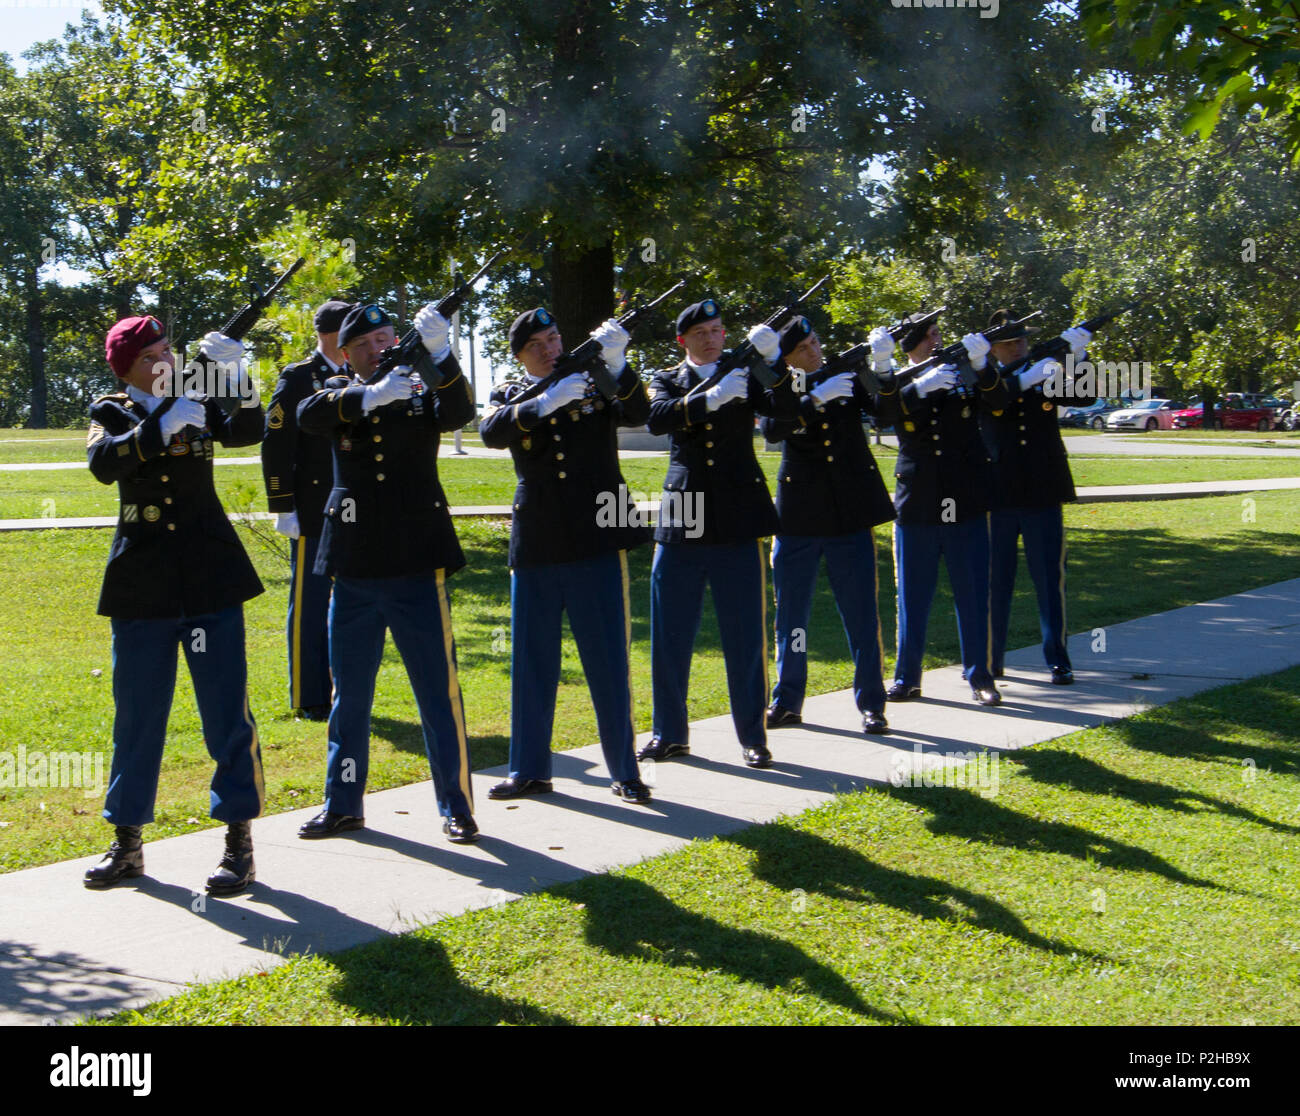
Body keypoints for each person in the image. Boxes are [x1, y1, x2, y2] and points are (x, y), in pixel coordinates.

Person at [85, 315, 265, 895]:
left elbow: (251, 428)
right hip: (143, 588)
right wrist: (155, 431)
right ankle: (128, 843)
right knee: (137, 716)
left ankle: (239, 844)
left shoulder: (199, 399)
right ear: (131, 367)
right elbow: (103, 464)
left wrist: (240, 374)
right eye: (157, 353)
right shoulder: (111, 411)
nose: (170, 359)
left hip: (209, 580)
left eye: (171, 348)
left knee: (225, 715)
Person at [295, 301, 479, 842]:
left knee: (436, 691)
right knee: (349, 697)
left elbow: (459, 412)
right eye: (368, 343)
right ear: (347, 355)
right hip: (353, 566)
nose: (381, 348)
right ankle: (343, 802)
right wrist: (369, 396)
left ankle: (456, 805)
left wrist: (441, 354)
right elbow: (309, 417)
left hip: (415, 563)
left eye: (387, 338)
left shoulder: (423, 392)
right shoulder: (338, 395)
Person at [479, 307, 653, 804]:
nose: (551, 349)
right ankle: (529, 769)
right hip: (538, 537)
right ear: (520, 356)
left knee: (606, 659)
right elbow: (492, 432)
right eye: (538, 345)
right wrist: (545, 404)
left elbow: (641, 413)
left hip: (598, 532)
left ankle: (624, 768)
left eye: (555, 338)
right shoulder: (511, 395)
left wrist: (618, 364)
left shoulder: (597, 382)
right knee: (533, 661)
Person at [640, 298, 798, 769]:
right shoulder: (667, 378)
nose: (713, 338)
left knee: (744, 633)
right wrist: (709, 399)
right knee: (670, 633)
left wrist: (776, 364)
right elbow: (657, 418)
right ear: (682, 340)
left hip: (737, 510)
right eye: (702, 332)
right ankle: (669, 733)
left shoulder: (747, 373)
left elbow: (787, 414)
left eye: (718, 329)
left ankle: (753, 734)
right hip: (686, 509)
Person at [760, 317, 896, 735]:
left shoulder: (847, 374)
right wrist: (813, 400)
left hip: (849, 513)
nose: (816, 351)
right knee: (794, 617)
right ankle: (788, 700)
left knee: (860, 613)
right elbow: (772, 428)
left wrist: (883, 365)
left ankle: (872, 702)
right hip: (799, 515)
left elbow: (888, 411)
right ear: (786, 358)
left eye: (817, 342)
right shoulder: (781, 388)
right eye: (805, 348)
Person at [874, 312, 1009, 706]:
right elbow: (884, 414)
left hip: (963, 497)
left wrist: (983, 365)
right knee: (912, 596)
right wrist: (919, 388)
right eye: (930, 335)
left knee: (972, 593)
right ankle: (907, 677)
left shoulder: (962, 371)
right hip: (918, 498)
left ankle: (980, 676)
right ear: (913, 343)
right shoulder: (895, 381)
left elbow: (998, 401)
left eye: (937, 334)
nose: (937, 340)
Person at [981, 309, 1093, 684]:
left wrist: (1078, 358)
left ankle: (1057, 658)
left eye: (1022, 340)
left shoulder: (1046, 370)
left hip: (1043, 489)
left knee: (1049, 579)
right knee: (996, 581)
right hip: (997, 492)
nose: (1017, 347)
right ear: (993, 348)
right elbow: (992, 403)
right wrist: (1024, 381)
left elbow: (1084, 396)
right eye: (1008, 342)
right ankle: (991, 659)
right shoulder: (983, 375)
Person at [261, 299, 351, 720]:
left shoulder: (360, 376)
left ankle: (346, 689)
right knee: (311, 604)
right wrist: (283, 505)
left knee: (351, 603)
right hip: (313, 506)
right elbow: (276, 442)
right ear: (331, 335)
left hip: (354, 508)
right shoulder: (299, 377)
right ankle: (309, 694)